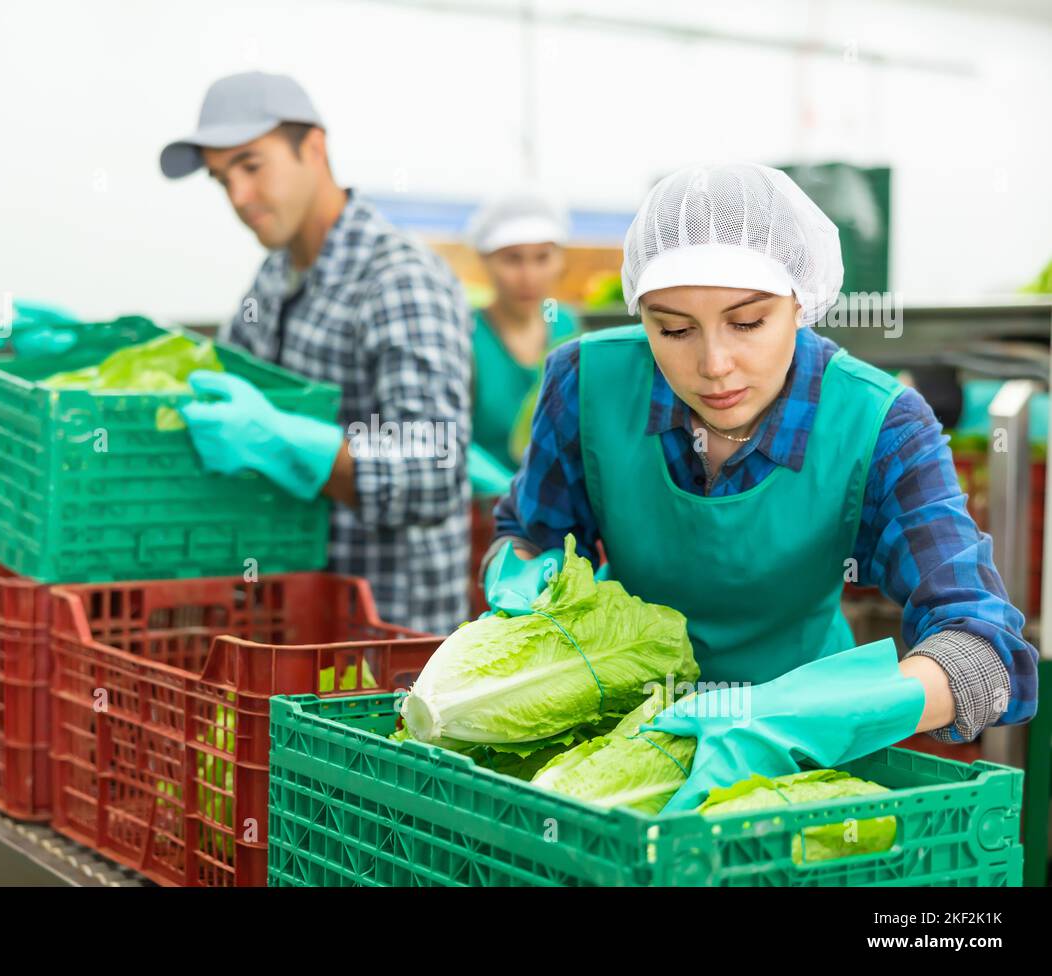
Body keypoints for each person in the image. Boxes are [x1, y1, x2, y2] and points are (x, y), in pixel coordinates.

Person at [483, 162, 1038, 811]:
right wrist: (524, 583)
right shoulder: (586, 383)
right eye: (673, 328)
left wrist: (798, 719)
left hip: (799, 772)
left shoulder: (878, 422)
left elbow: (987, 655)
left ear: (802, 300)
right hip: (621, 751)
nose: (714, 366)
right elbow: (532, 535)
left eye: (747, 323)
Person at [160, 72, 471, 635]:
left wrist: (285, 442)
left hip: (389, 643)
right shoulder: (275, 277)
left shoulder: (397, 279)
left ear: (314, 147)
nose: (238, 197)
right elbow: (217, 381)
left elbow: (436, 471)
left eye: (252, 166)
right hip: (296, 622)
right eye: (222, 178)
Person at [465, 191, 579, 495]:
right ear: (485, 260)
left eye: (542, 258)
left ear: (560, 260)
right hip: (486, 511)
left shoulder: (566, 324)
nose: (529, 276)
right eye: (512, 259)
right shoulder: (465, 333)